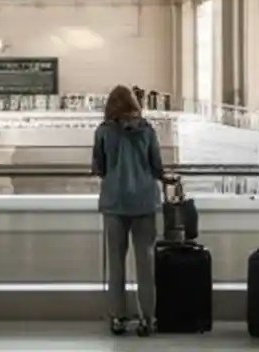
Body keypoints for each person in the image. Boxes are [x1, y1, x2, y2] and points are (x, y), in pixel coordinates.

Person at [92, 84, 169, 337]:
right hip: (145, 201)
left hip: (114, 202)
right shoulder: (147, 130)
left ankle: (118, 317)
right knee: (145, 261)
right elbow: (157, 166)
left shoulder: (103, 132)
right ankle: (148, 318)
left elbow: (99, 167)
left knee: (115, 261)